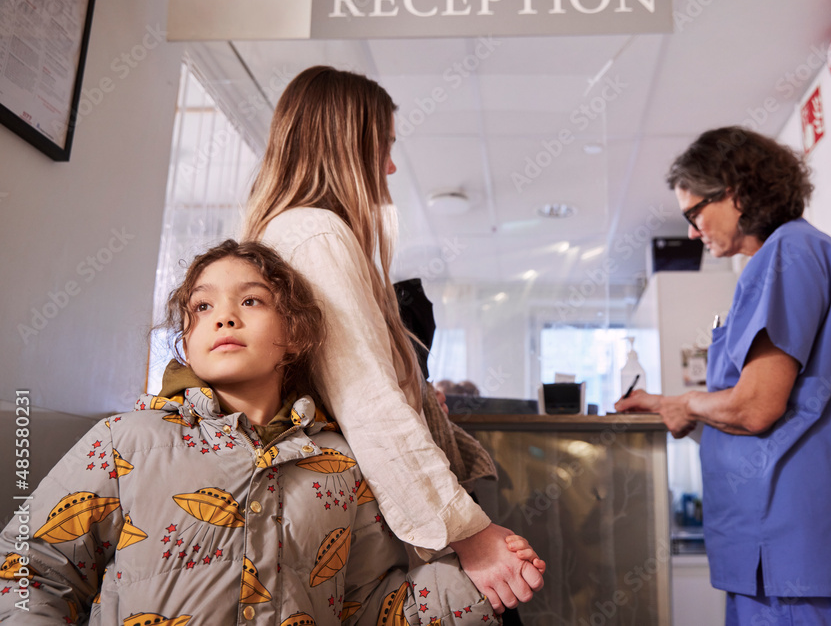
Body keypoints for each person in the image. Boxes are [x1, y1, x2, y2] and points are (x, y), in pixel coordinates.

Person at [0, 240, 502, 624]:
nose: (224, 316)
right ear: (187, 341)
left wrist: (469, 586)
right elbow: (33, 567)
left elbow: (368, 605)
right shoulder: (125, 441)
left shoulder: (343, 466)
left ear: (293, 336)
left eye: (253, 301)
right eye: (202, 307)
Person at [242, 65, 543, 614]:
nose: (391, 165)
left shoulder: (292, 230)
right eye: (383, 145)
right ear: (347, 145)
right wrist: (469, 533)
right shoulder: (315, 233)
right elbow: (365, 396)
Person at [617, 127, 831, 625]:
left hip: (785, 537)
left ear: (735, 192)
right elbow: (762, 407)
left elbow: (756, 406)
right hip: (773, 542)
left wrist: (688, 403)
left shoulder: (789, 252)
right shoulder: (782, 259)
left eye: (695, 213)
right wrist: (672, 406)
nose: (693, 231)